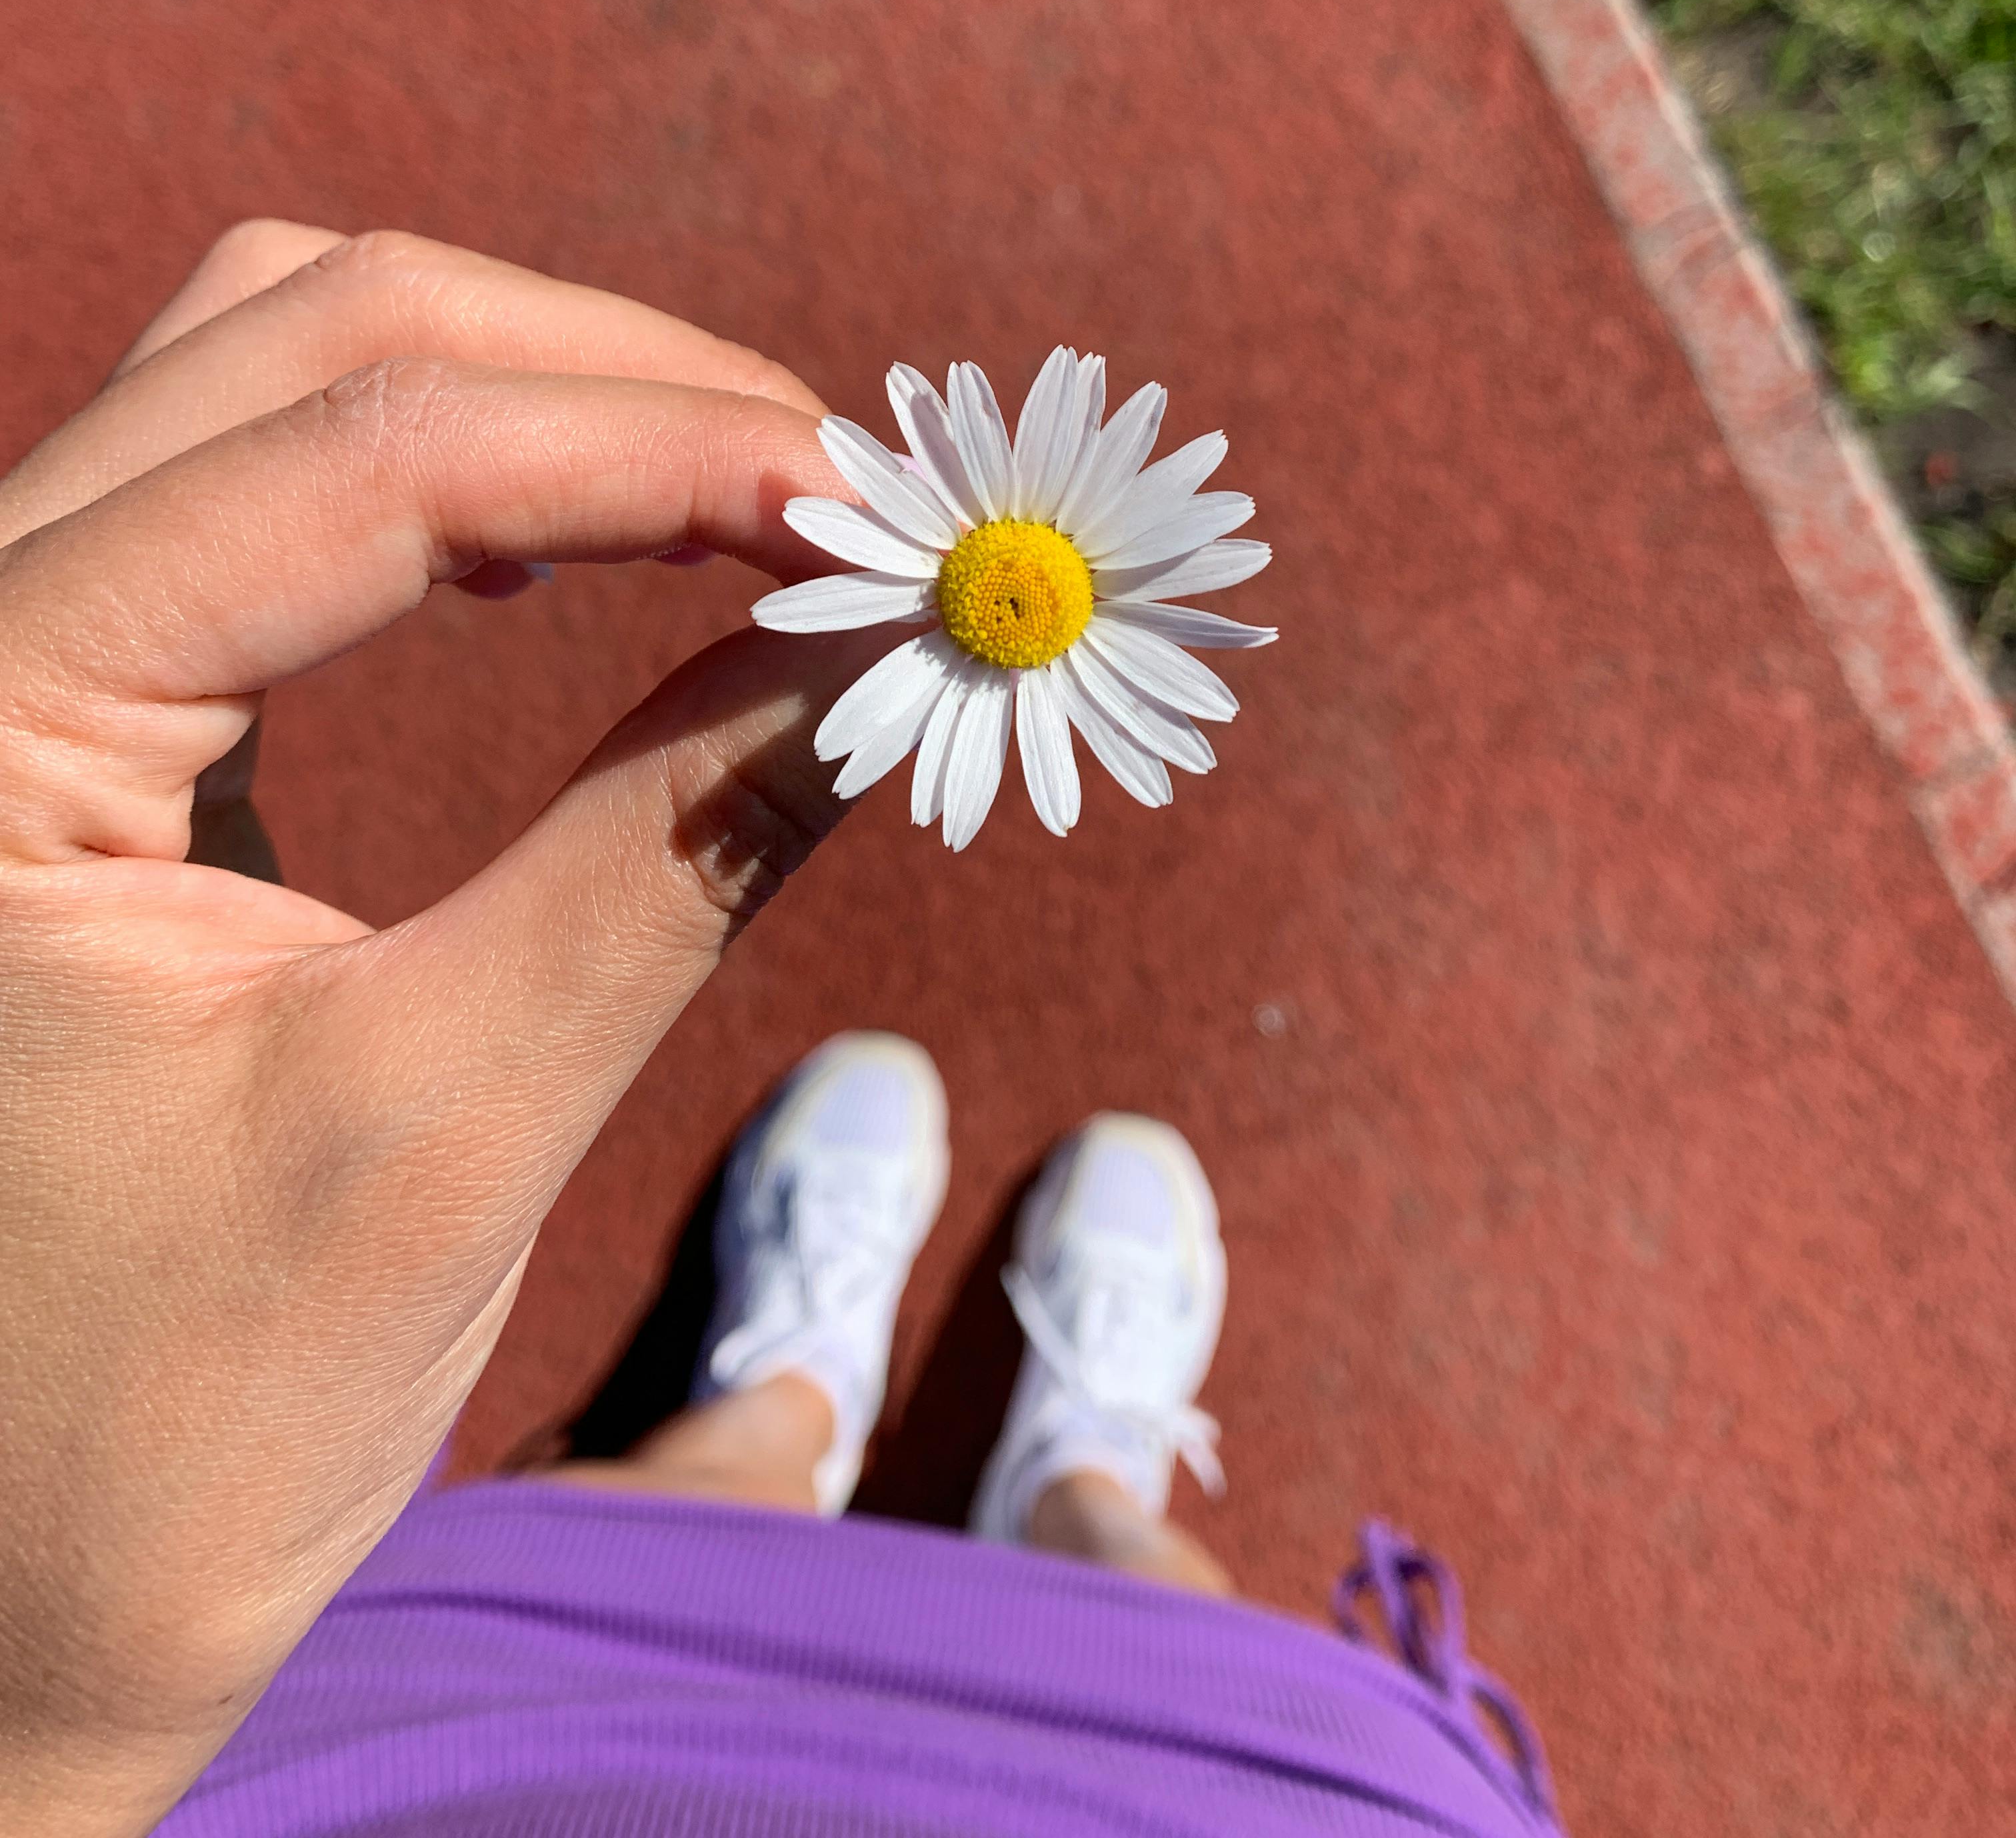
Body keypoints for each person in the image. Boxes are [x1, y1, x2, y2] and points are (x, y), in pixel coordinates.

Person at [0, 224, 1564, 1837]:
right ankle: (1070, 1491)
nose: (1016, 591)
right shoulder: (1001, 588)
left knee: (615, 1560)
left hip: (479, 1758)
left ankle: (775, 1421)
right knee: (1207, 1648)